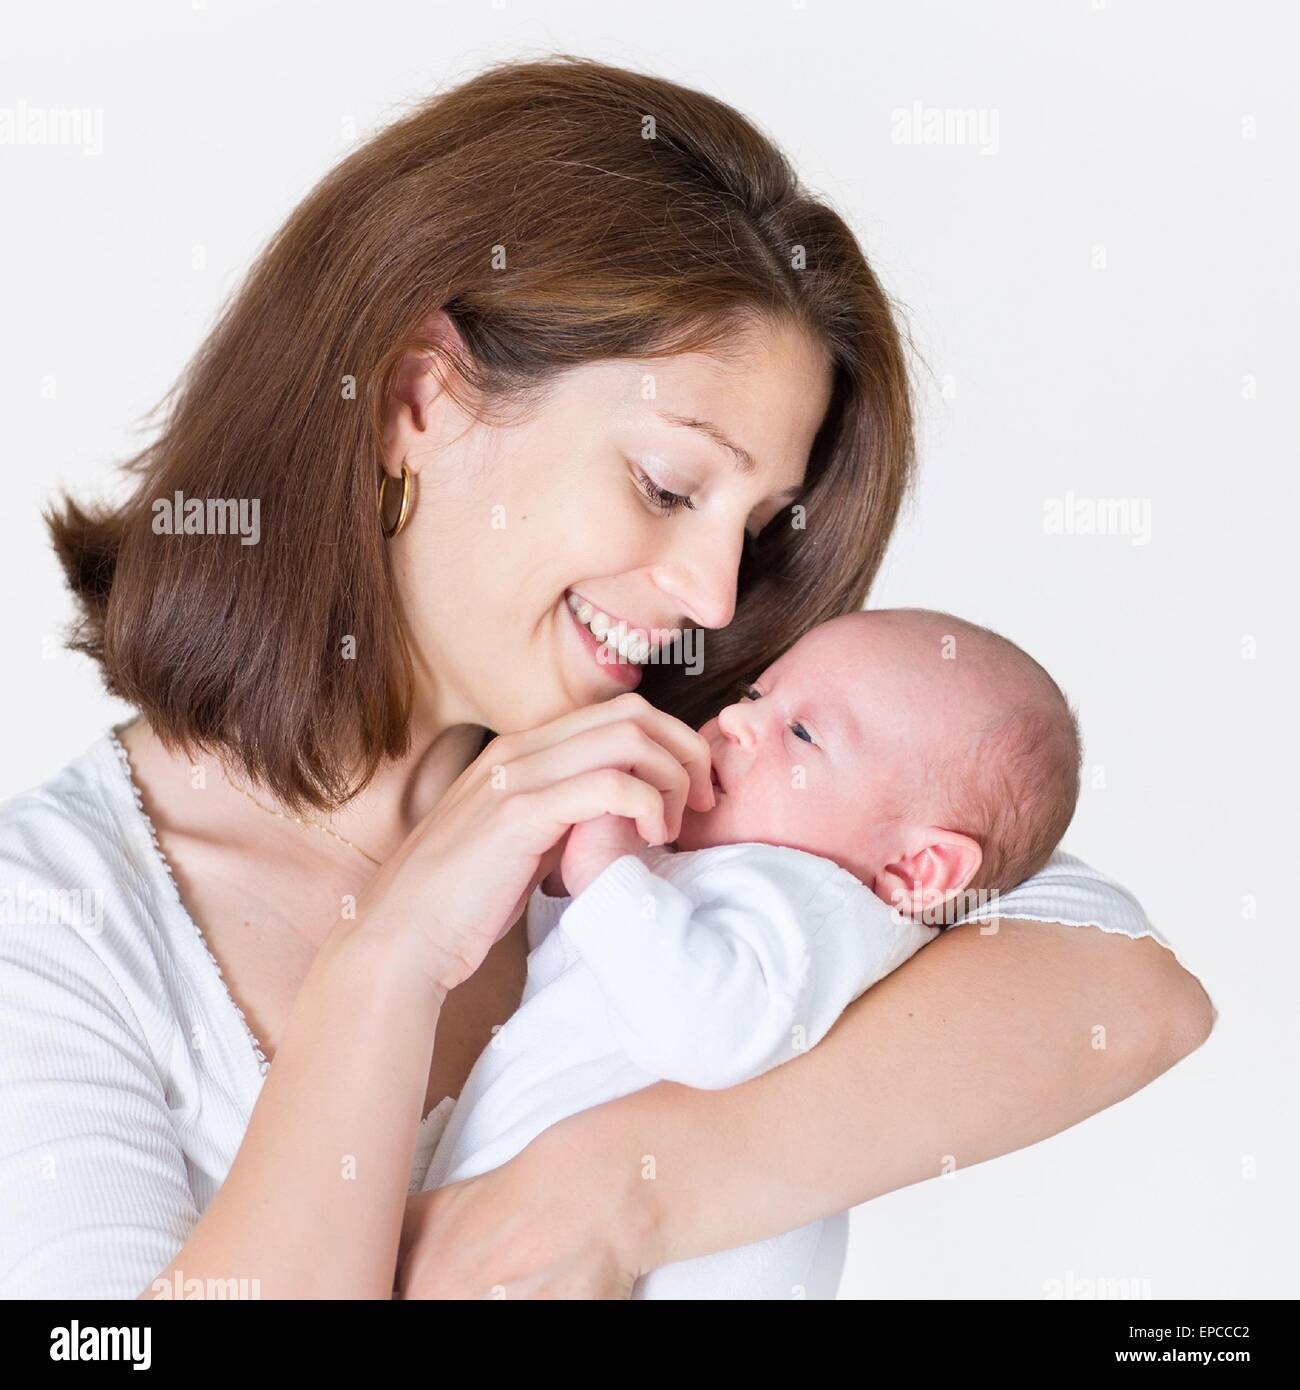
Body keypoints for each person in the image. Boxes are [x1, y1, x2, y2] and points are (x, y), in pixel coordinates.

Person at [0, 55, 1214, 1300]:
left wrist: (624, 1190)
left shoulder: (692, 796)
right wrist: (387, 967)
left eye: (755, 525)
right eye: (669, 485)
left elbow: (1126, 983)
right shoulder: (52, 921)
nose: (716, 597)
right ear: (418, 397)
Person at [417, 606, 1088, 1299]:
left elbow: (705, 1028)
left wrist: (606, 874)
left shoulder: (816, 905)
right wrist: (574, 882)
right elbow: (583, 985)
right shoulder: (746, 881)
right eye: (755, 696)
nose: (736, 721)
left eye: (801, 733)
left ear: (918, 870)